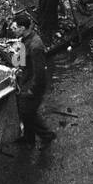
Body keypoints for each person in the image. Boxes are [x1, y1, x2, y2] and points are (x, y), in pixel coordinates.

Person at [12, 14, 55, 146]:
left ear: (22, 28)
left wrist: (32, 89)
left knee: (28, 113)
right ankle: (28, 138)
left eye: (14, 28)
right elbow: (24, 61)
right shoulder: (25, 40)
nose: (12, 30)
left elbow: (40, 71)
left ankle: (47, 135)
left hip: (33, 85)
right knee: (24, 112)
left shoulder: (36, 45)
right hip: (25, 81)